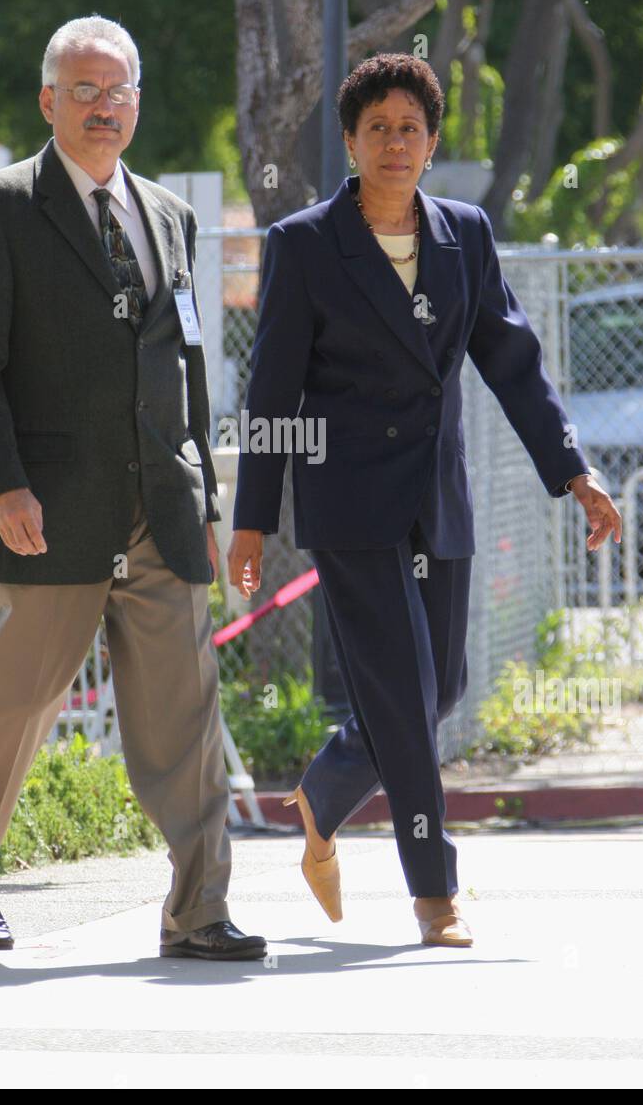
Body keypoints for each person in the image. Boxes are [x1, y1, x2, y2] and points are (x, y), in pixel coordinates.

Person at [227, 52, 622, 948]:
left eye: (410, 128)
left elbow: (514, 362)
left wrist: (574, 471)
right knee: (405, 695)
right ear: (350, 142)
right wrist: (252, 519)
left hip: (438, 498)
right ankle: (433, 889)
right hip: (351, 506)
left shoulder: (465, 235)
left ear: (433, 142)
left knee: (441, 686)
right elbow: (271, 394)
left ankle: (324, 794)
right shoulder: (303, 243)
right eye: (378, 129)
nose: (395, 143)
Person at [0, 14, 266, 961]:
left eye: (117, 91)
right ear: (48, 101)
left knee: (186, 714)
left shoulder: (170, 215)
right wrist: (0, 484)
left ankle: (199, 911)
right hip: (46, 511)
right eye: (83, 90)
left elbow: (184, 368)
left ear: (137, 103)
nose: (102, 107)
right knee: (12, 702)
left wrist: (201, 498)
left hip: (160, 506)